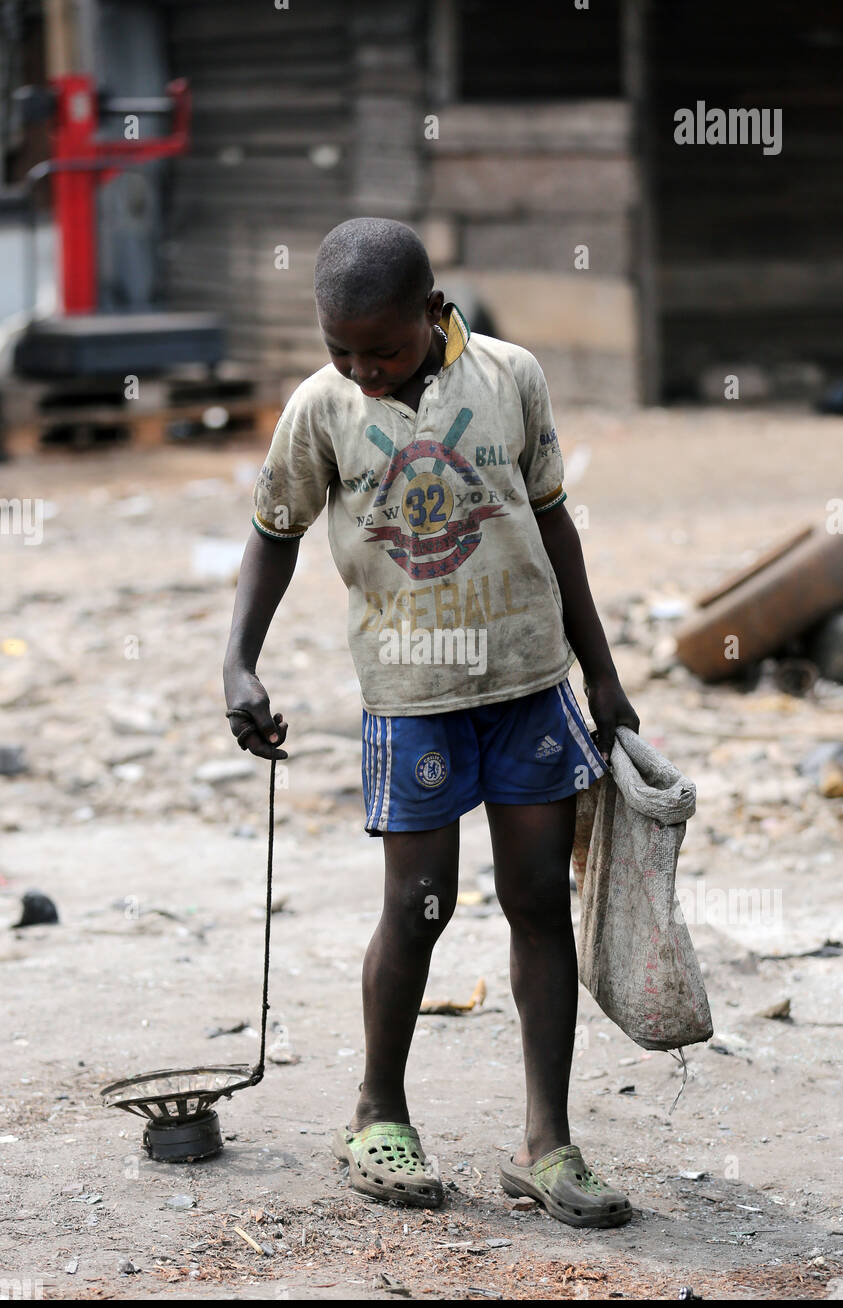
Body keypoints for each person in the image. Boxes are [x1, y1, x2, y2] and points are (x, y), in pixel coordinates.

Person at [223, 218, 640, 1229]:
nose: (363, 369)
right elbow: (273, 534)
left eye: (384, 349)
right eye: (341, 351)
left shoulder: (508, 378)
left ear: (432, 311)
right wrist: (238, 660)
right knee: (419, 904)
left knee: (539, 900)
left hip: (527, 686)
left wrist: (602, 673)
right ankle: (380, 1111)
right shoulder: (320, 410)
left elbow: (551, 520)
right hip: (410, 701)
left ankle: (546, 1142)